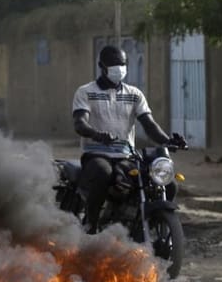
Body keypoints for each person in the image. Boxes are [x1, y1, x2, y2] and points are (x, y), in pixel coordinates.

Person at [72, 45, 186, 234]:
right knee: (103, 173)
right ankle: (91, 223)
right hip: (96, 155)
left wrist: (167, 141)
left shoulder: (134, 94)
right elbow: (79, 124)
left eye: (122, 64)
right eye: (114, 64)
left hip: (126, 157)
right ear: (102, 65)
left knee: (167, 182)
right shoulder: (85, 92)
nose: (119, 68)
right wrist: (97, 135)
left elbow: (149, 124)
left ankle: (144, 222)